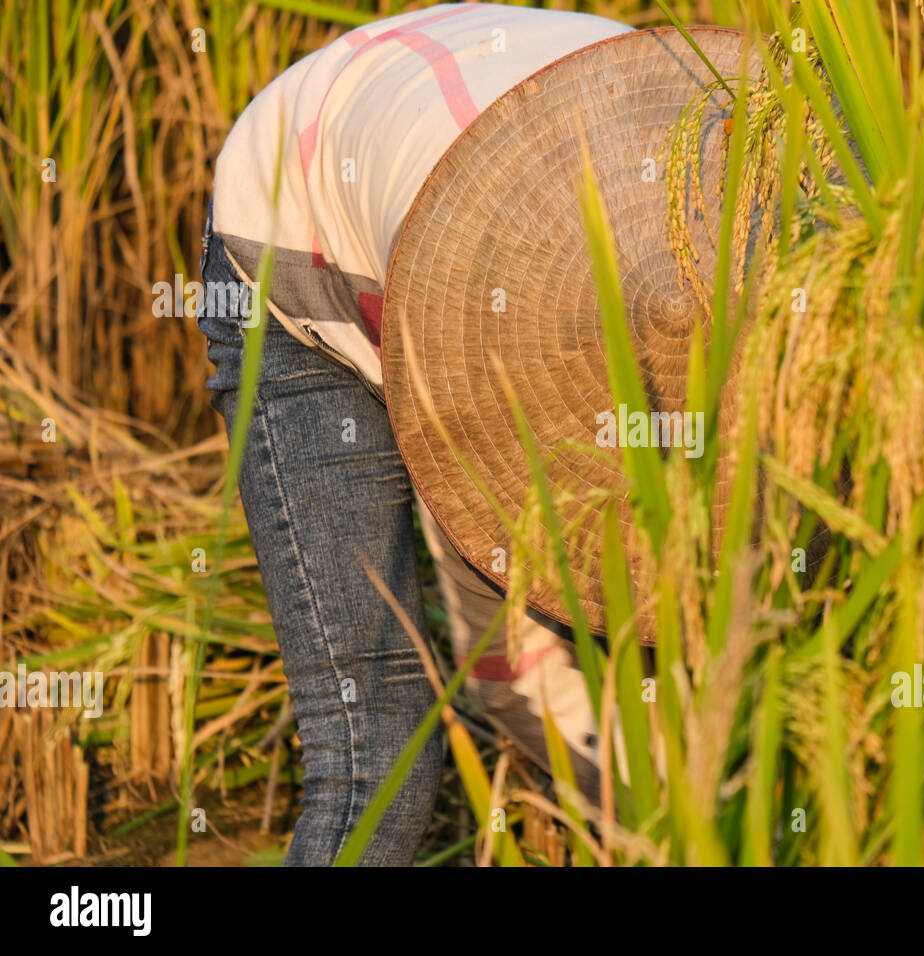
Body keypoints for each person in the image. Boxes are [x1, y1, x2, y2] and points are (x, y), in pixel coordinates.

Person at [198, 1, 745, 865]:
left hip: (453, 120)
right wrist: (659, 814)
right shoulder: (494, 350)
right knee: (378, 750)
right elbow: (498, 644)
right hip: (292, 228)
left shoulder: (755, 224)